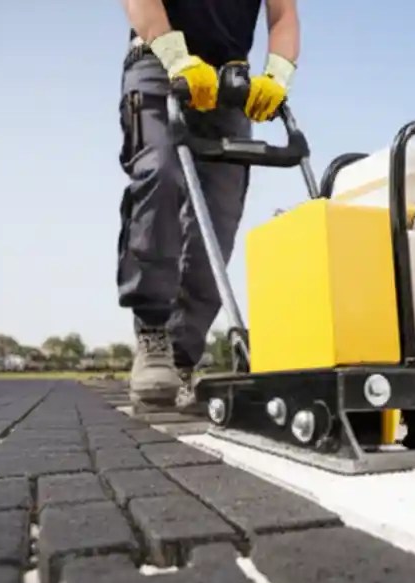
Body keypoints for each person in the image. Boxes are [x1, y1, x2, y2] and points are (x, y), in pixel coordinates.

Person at [116, 0, 300, 412]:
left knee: (219, 218)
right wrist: (175, 56)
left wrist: (277, 74)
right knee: (159, 173)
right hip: (157, 59)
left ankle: (182, 357)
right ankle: (153, 332)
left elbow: (283, 15)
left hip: (228, 82)